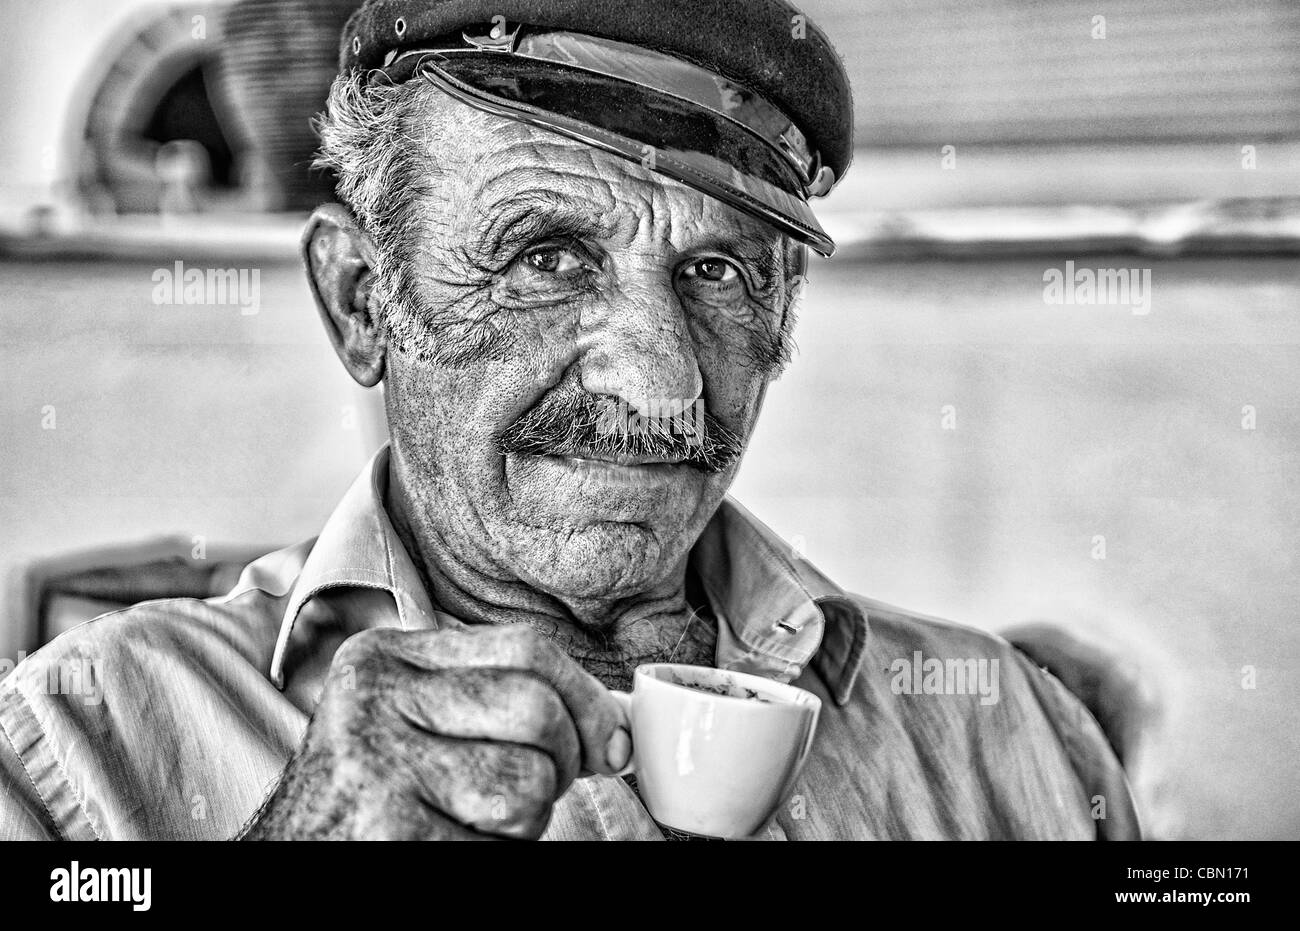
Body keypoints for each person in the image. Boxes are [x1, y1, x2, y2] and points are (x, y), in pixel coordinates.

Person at [0, 0, 1139, 840]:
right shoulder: (83, 746)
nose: (662, 388)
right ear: (360, 302)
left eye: (720, 273)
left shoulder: (1017, 748)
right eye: (546, 255)